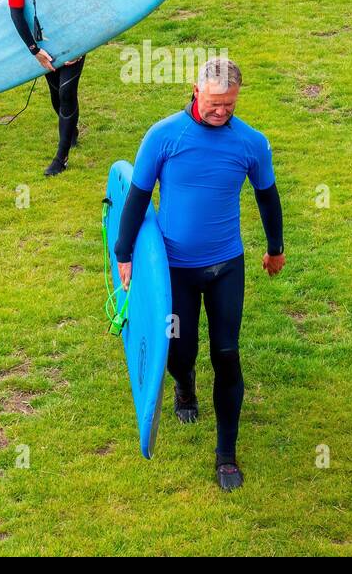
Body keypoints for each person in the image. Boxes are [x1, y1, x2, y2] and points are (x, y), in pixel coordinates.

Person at [113, 57, 285, 492]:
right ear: (195, 90)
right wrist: (124, 253)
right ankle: (184, 388)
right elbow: (136, 197)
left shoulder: (251, 143)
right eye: (214, 103)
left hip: (227, 264)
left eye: (229, 104)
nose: (221, 111)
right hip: (175, 269)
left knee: (226, 354)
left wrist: (275, 249)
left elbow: (267, 197)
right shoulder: (164, 135)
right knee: (180, 349)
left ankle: (226, 453)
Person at [6, 0, 82, 177]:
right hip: (43, 42)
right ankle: (71, 130)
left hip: (74, 36)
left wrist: (77, 44)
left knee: (66, 94)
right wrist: (35, 50)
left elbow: (82, 1)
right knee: (55, 95)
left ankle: (60, 159)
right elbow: (16, 12)